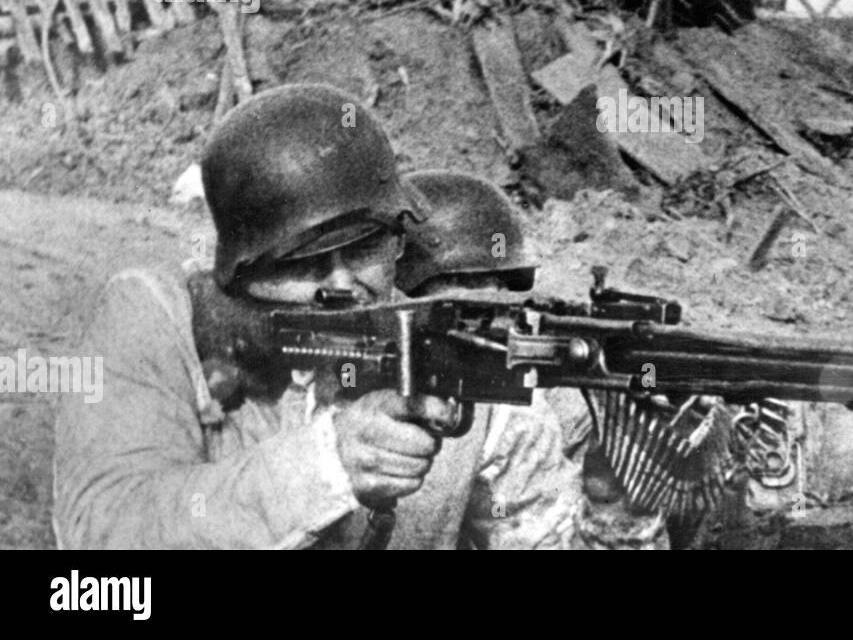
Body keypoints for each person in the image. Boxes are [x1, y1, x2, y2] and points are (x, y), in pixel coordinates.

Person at [54, 84, 584, 549]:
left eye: (365, 249)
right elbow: (103, 533)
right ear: (240, 269)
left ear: (399, 241)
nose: (340, 284)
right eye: (302, 261)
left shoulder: (450, 350)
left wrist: (619, 508)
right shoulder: (156, 317)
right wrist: (323, 465)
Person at [396, 170, 674, 549]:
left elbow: (537, 532)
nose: (486, 323)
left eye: (499, 294)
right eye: (462, 302)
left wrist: (614, 501)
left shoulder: (496, 410)